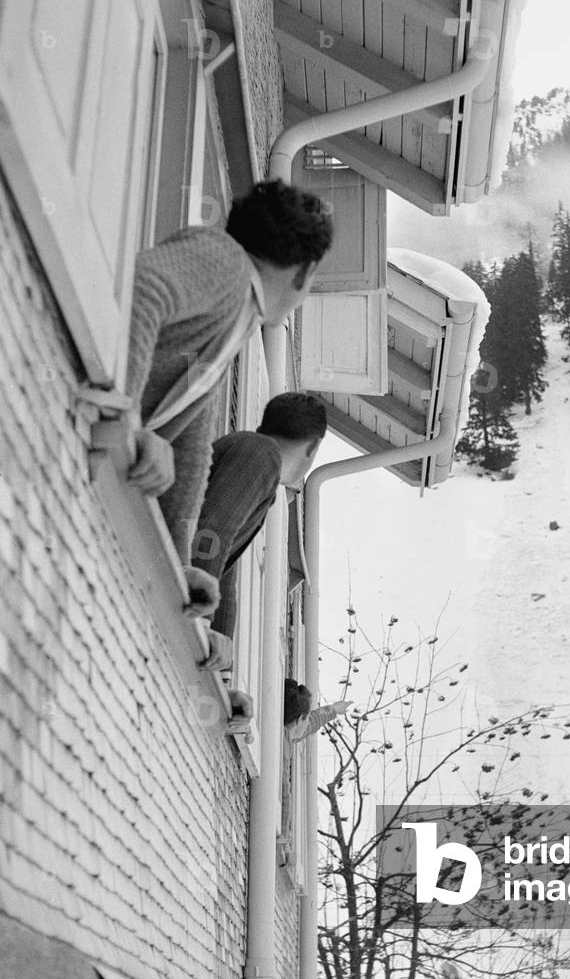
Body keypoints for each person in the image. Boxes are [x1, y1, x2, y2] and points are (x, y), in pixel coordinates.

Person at [122, 181, 333, 613]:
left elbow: (190, 452)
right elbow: (142, 290)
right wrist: (124, 418)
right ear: (305, 272)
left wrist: (178, 567)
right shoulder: (225, 262)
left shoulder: (236, 317)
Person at [192, 393, 328, 670]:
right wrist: (200, 615)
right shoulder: (259, 454)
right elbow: (212, 530)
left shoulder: (254, 452)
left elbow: (225, 571)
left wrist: (220, 650)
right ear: (313, 446)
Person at [283, 678, 352, 741]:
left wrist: (334, 709)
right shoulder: (285, 746)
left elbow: (311, 722)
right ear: (300, 719)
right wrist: (333, 709)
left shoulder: (280, 731)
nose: (308, 722)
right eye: (307, 717)